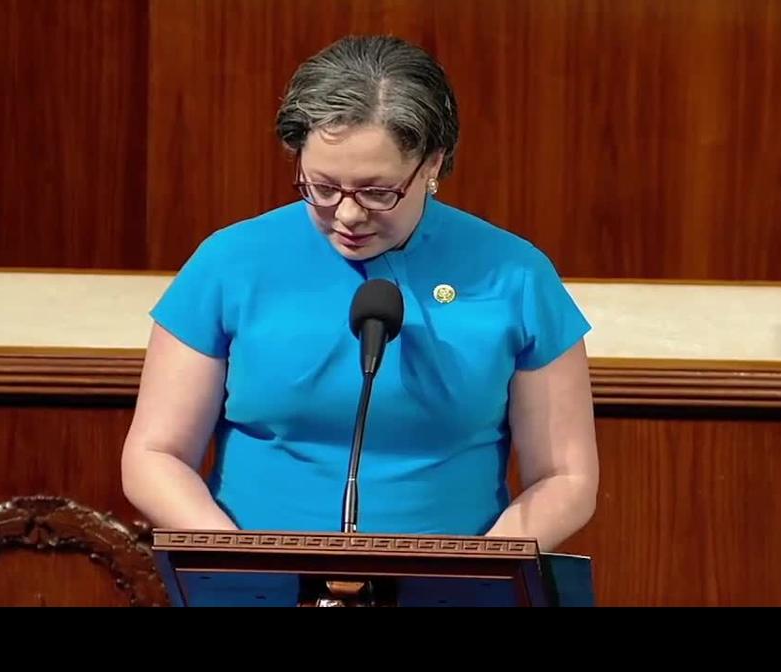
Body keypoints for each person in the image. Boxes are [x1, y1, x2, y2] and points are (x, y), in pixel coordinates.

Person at [121, 35, 597, 551]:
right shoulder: (229, 262)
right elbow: (155, 455)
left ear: (433, 164)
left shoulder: (515, 275)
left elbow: (564, 478)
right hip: (260, 581)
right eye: (322, 187)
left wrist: (483, 566)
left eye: (377, 192)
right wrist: (245, 559)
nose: (347, 215)